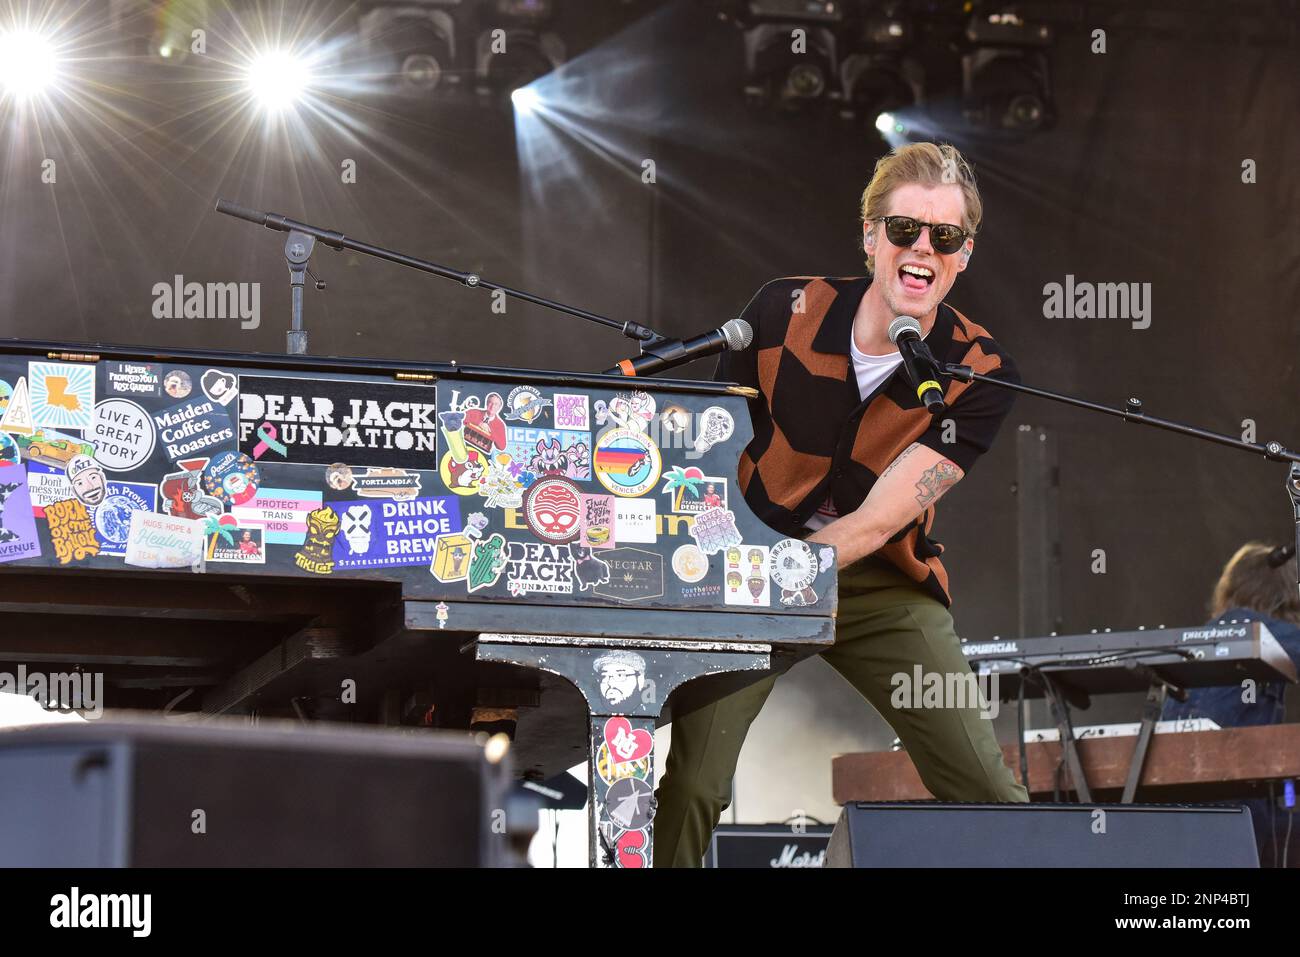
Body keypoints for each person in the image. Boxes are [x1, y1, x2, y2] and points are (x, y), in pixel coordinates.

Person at [654, 141, 1029, 867]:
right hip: (751, 562)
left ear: (964, 255)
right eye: (904, 229)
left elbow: (883, 519)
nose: (922, 248)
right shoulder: (781, 309)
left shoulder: (979, 370)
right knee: (695, 781)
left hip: (879, 580)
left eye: (943, 236)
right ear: (869, 236)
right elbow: (709, 455)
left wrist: (783, 569)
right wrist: (721, 565)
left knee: (986, 784)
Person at [1162, 542, 1300, 867]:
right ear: (1284, 593)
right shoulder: (1248, 627)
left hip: (1189, 818)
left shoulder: (1205, 641)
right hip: (1233, 809)